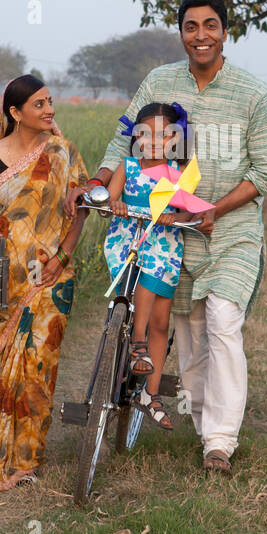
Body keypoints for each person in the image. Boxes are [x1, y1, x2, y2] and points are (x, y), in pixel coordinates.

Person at [65, 0, 267, 475]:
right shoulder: (159, 81)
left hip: (230, 227)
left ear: (226, 32)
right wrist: (100, 183)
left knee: (222, 321)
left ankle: (219, 443)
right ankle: (201, 420)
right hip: (163, 228)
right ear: (181, 32)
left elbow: (265, 173)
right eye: (190, 27)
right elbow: (124, 139)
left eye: (210, 26)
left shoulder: (254, 94)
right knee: (186, 329)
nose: (200, 35)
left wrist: (216, 210)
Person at [0, 74, 88, 491]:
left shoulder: (64, 153)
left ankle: (26, 460)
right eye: (39, 104)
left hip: (52, 277)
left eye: (50, 101)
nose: (49, 109)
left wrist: (63, 256)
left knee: (38, 368)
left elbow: (79, 211)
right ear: (15, 113)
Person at [103, 102, 201, 430]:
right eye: (145, 134)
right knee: (147, 269)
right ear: (135, 136)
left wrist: (177, 215)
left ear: (176, 139)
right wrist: (114, 205)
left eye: (164, 135)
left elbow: (189, 211)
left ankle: (152, 393)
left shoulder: (179, 174)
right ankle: (137, 344)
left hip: (165, 243)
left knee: (162, 320)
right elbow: (109, 201)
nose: (154, 141)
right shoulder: (127, 167)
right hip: (128, 241)